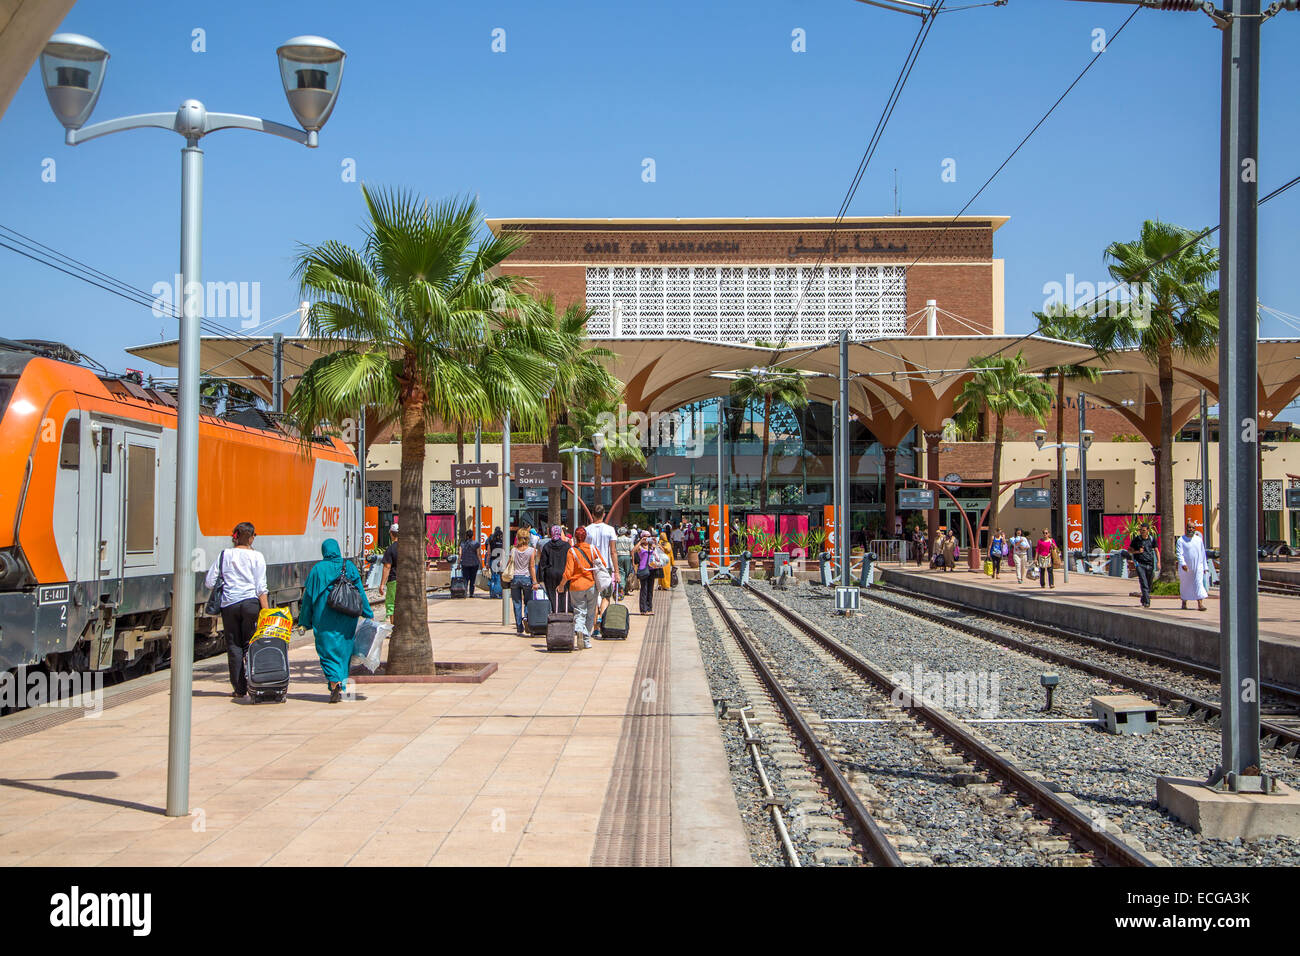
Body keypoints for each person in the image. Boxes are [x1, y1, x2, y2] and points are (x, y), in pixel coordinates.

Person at [300, 538, 373, 703]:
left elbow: (308, 597)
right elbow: (360, 592)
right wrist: (367, 612)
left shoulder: (317, 570)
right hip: (348, 616)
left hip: (324, 617)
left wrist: (304, 621)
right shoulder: (350, 567)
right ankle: (341, 682)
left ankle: (335, 683)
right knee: (344, 651)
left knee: (326, 651)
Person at [204, 521, 269, 699]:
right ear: (251, 537)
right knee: (251, 644)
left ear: (235, 537)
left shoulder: (225, 555)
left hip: (229, 605)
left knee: (233, 646)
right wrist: (267, 612)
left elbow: (209, 582)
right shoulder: (257, 557)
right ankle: (255, 683)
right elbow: (261, 588)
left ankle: (239, 689)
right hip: (250, 604)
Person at [561, 526, 601, 648]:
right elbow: (602, 565)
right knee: (590, 613)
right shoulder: (593, 549)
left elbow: (568, 572)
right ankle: (586, 640)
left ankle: (578, 628)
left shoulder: (571, 551)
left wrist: (561, 585)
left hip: (576, 586)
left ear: (574, 537)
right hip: (591, 585)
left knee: (579, 610)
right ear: (586, 537)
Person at [584, 504, 619, 632]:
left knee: (593, 598)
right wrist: (617, 571)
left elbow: (585, 550)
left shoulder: (587, 530)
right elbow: (613, 552)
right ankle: (601, 618)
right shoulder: (610, 530)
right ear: (604, 514)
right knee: (606, 596)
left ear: (593, 514)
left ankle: (595, 627)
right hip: (606, 566)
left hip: (592, 567)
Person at [507, 528, 539, 634]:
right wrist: (534, 581)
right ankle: (526, 618)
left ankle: (519, 626)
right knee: (528, 601)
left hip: (515, 578)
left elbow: (509, 564)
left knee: (517, 603)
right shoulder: (531, 550)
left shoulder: (513, 550)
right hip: (526, 578)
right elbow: (532, 567)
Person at [537, 526, 571, 612]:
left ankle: (555, 611)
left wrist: (540, 578)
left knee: (552, 594)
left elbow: (542, 563)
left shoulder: (547, 546)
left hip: (550, 575)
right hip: (563, 574)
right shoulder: (566, 546)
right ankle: (564, 611)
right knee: (564, 594)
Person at [1176, 525, 1208, 612]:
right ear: (1186, 528)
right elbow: (1179, 553)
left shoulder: (1198, 540)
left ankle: (1200, 604)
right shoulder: (1181, 540)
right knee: (1185, 584)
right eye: (1189, 527)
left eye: (1193, 528)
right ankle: (1184, 602)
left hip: (1198, 567)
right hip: (1185, 568)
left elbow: (1202, 553)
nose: (1191, 529)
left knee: (1198, 583)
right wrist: (1183, 563)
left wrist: (1205, 567)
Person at [1128, 523, 1158, 608]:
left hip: (1150, 564)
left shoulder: (1152, 539)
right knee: (1144, 582)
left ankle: (1144, 598)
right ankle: (1147, 602)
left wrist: (1158, 562)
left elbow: (1156, 550)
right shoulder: (1136, 540)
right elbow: (1129, 550)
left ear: (1148, 531)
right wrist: (1137, 552)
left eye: (1144, 530)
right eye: (1141, 530)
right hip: (1140, 564)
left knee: (1149, 584)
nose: (1142, 532)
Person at [379, 525, 400, 623]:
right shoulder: (408, 548)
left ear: (391, 534)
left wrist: (382, 584)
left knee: (392, 604)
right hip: (406, 580)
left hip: (394, 580)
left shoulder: (391, 549)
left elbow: (387, 567)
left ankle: (394, 627)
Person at [633, 532, 657, 615]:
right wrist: (640, 541)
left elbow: (661, 551)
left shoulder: (651, 546)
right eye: (646, 537)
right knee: (644, 589)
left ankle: (649, 608)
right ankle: (643, 609)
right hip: (643, 569)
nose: (648, 538)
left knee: (650, 589)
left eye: (649, 537)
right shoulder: (640, 547)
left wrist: (655, 544)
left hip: (651, 569)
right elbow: (633, 551)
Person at [458, 530, 481, 598]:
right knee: (472, 579)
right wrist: (481, 564)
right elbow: (478, 554)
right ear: (472, 536)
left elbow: (460, 554)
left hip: (465, 563)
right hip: (474, 563)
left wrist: (458, 564)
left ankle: (464, 592)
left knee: (465, 579)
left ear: (466, 536)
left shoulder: (462, 544)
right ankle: (471, 593)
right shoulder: (476, 544)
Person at [615, 525, 634, 593]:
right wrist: (633, 560)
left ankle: (621, 587)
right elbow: (632, 550)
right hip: (627, 556)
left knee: (621, 572)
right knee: (627, 572)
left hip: (619, 556)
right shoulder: (629, 539)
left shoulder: (616, 539)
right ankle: (625, 588)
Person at [488, 527, 504, 598]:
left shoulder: (491, 541)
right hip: (499, 561)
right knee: (498, 577)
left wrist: (487, 563)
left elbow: (488, 553)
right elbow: (503, 552)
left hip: (492, 560)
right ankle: (498, 593)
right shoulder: (502, 542)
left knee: (493, 577)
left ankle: (492, 593)